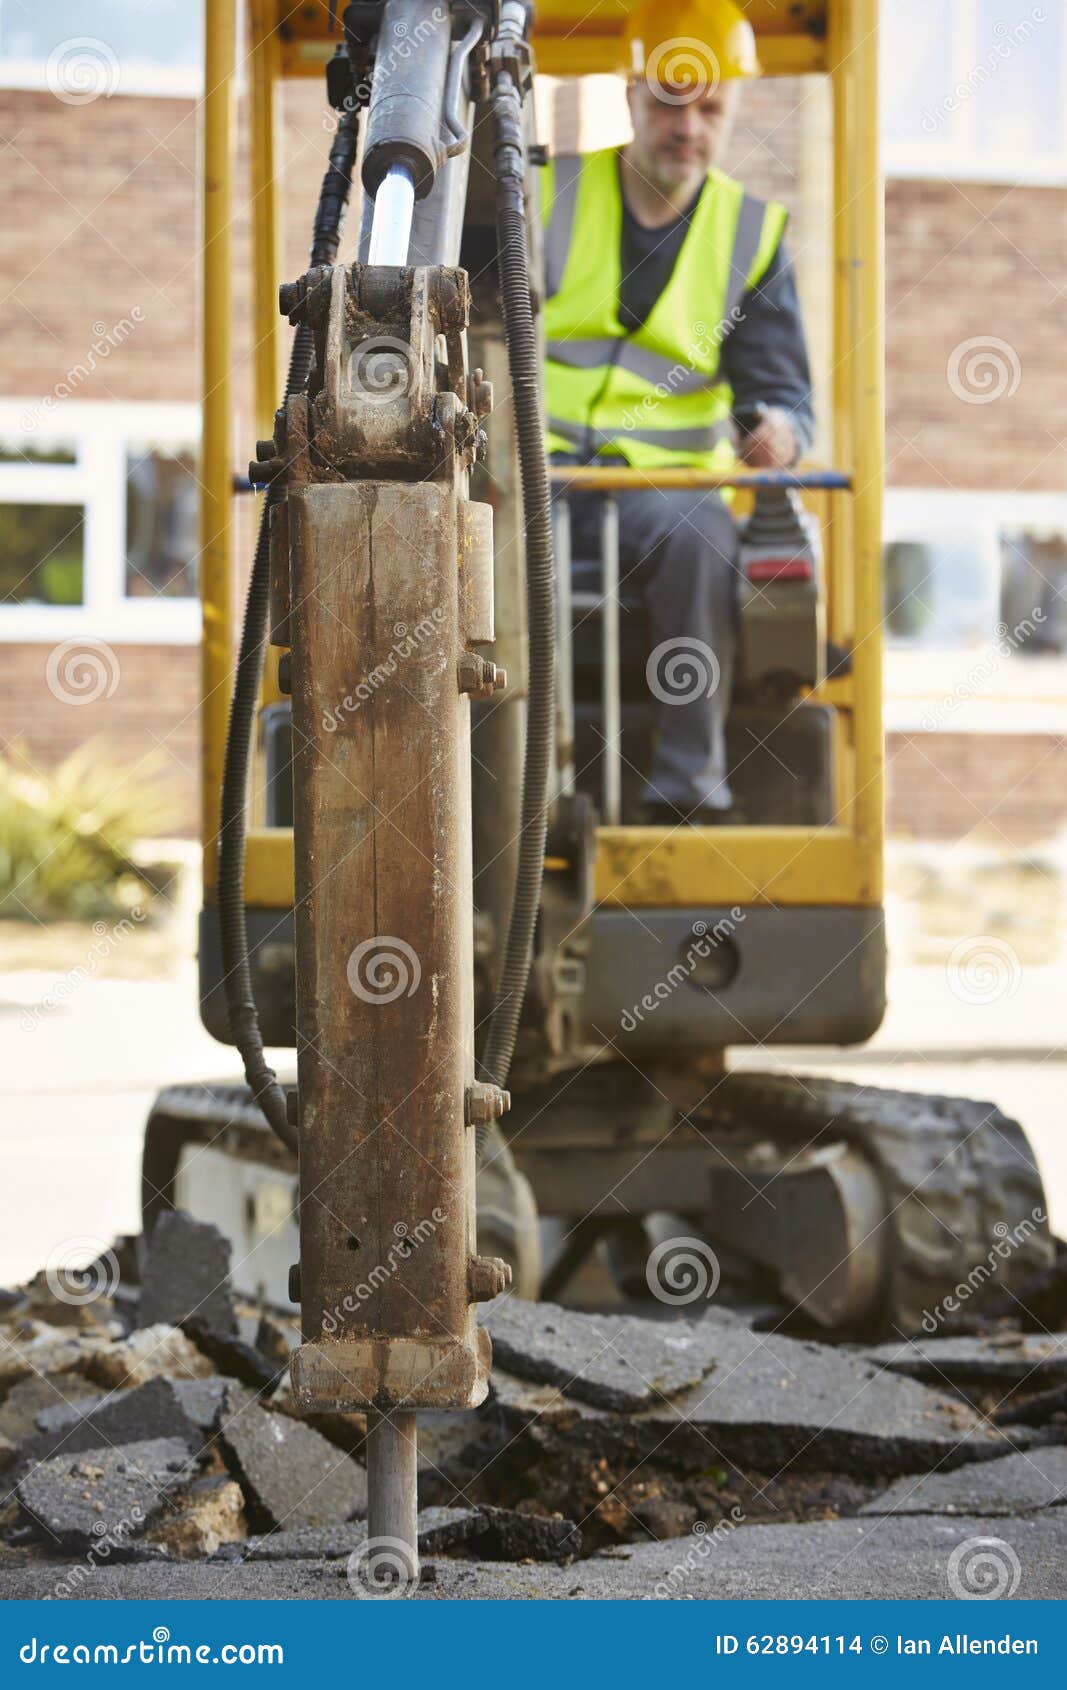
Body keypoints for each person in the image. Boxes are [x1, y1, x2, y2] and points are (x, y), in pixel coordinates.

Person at [543, 0, 814, 822]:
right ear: (629, 95)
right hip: (535, 470)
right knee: (490, 538)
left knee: (706, 536)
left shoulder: (751, 234)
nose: (687, 127)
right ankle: (504, 782)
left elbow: (782, 390)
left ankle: (687, 790)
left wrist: (780, 430)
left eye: (709, 109)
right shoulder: (541, 196)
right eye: (668, 100)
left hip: (661, 493)